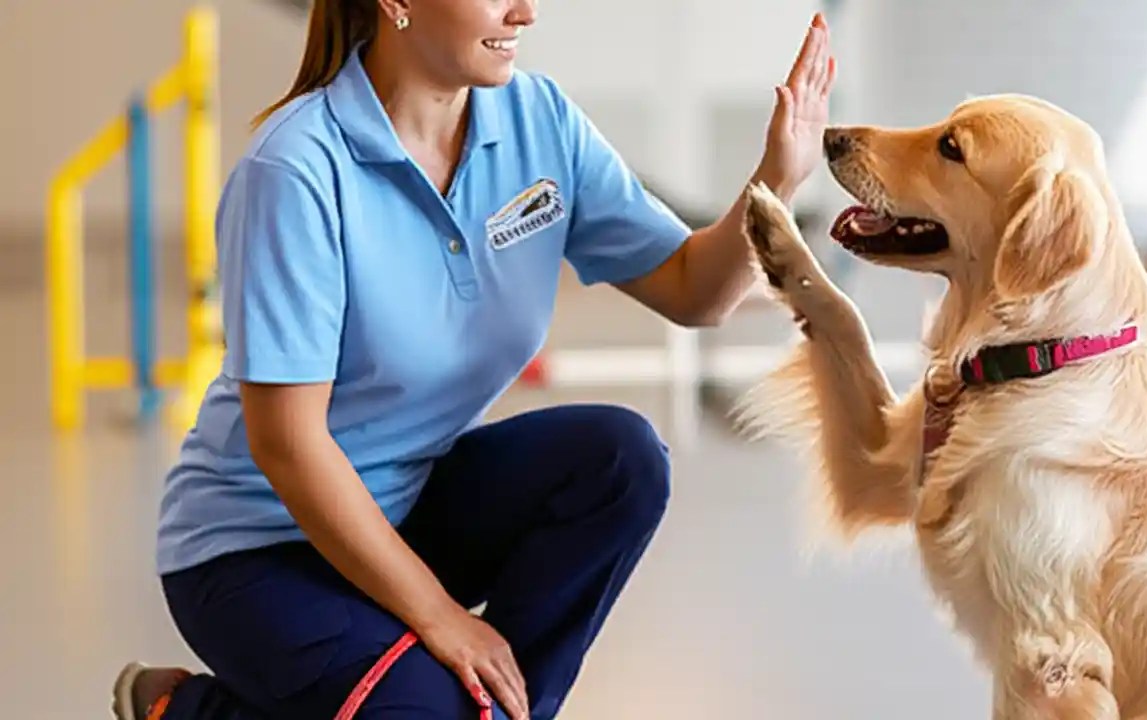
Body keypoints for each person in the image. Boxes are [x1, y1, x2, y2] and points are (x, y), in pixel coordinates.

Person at [111, 0, 835, 718]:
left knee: (619, 459)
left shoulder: (538, 120)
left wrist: (776, 178)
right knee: (434, 713)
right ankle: (187, 710)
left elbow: (692, 289)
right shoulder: (295, 170)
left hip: (408, 504)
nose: (526, 12)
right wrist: (441, 617)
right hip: (259, 550)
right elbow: (288, 446)